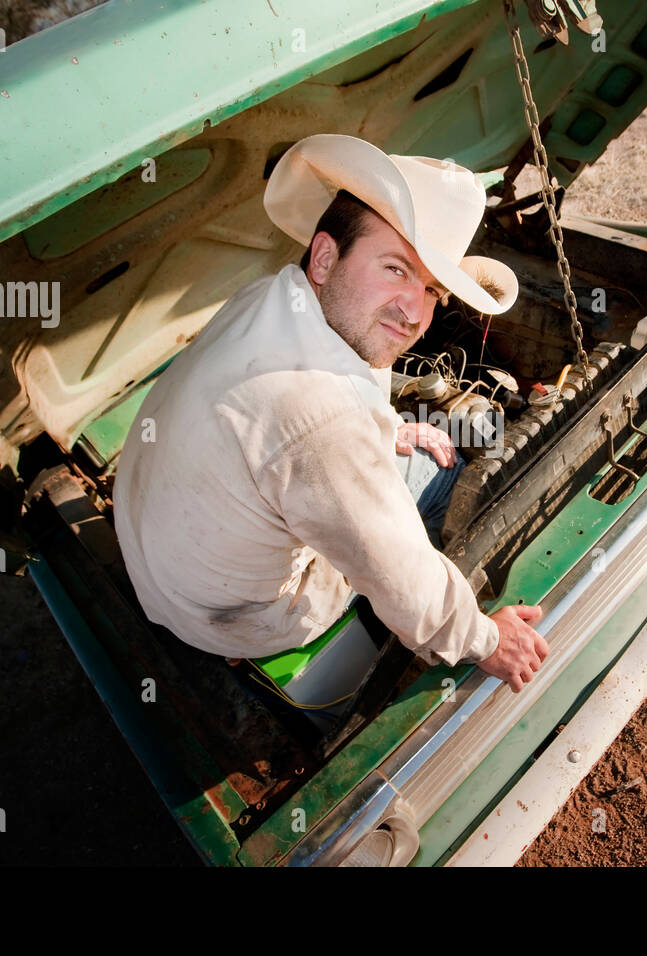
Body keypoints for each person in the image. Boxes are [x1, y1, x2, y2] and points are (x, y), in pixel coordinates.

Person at [111, 133, 548, 693]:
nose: (415, 311)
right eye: (395, 268)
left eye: (433, 289)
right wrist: (485, 638)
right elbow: (400, 575)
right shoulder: (319, 419)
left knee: (406, 453)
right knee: (442, 478)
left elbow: (340, 396)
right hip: (244, 618)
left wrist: (388, 427)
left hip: (162, 567)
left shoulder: (270, 298)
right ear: (324, 256)